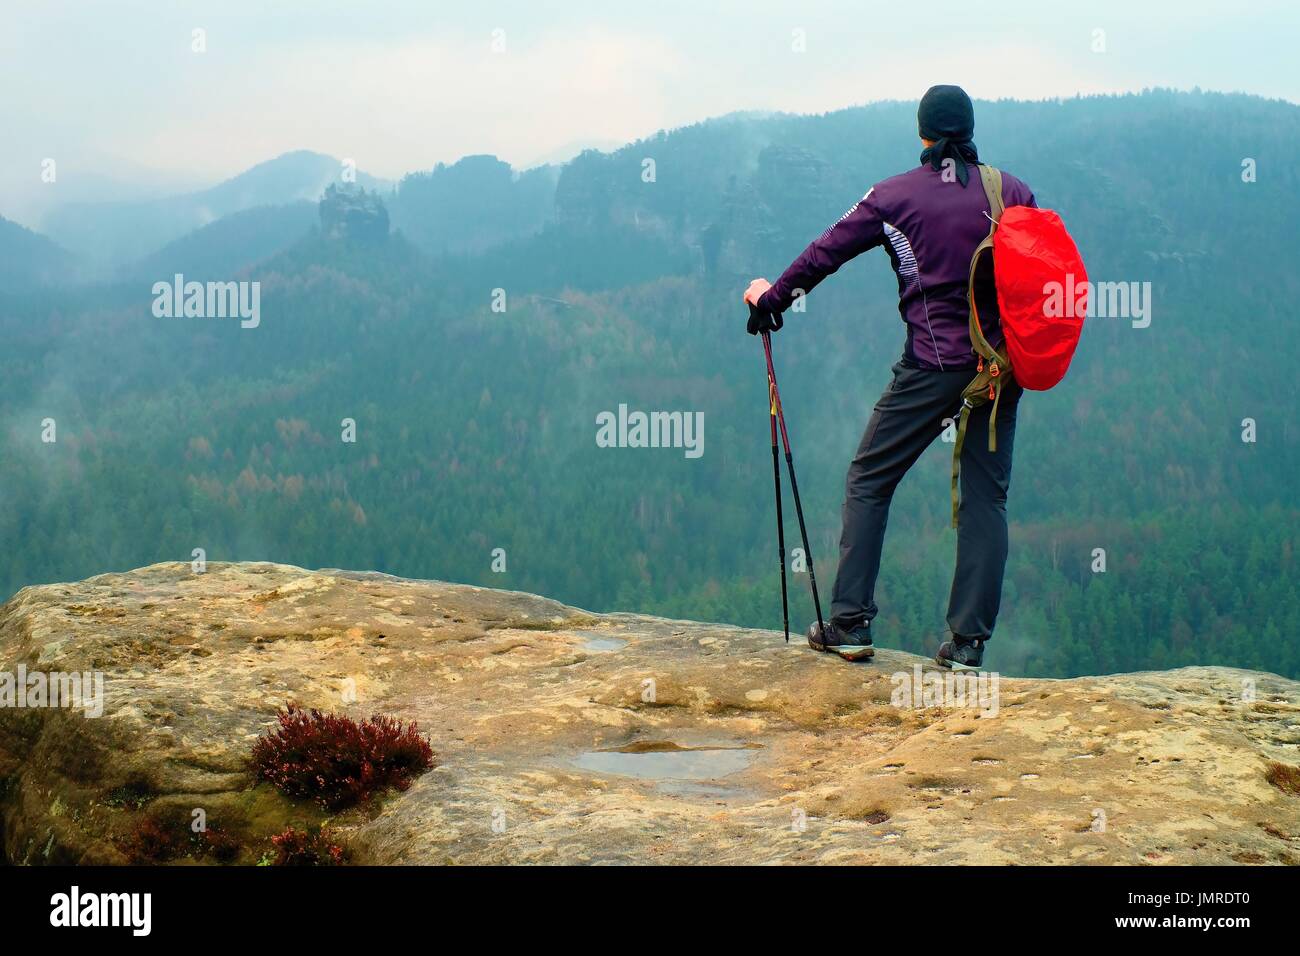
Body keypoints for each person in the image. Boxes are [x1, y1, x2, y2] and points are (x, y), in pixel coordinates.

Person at [743, 85, 1035, 671]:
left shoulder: (893, 197)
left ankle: (850, 623)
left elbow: (826, 252)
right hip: (998, 369)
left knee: (870, 477)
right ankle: (968, 645)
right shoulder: (1013, 192)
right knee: (985, 499)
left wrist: (770, 298)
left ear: (923, 134)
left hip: (932, 366)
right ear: (971, 131)